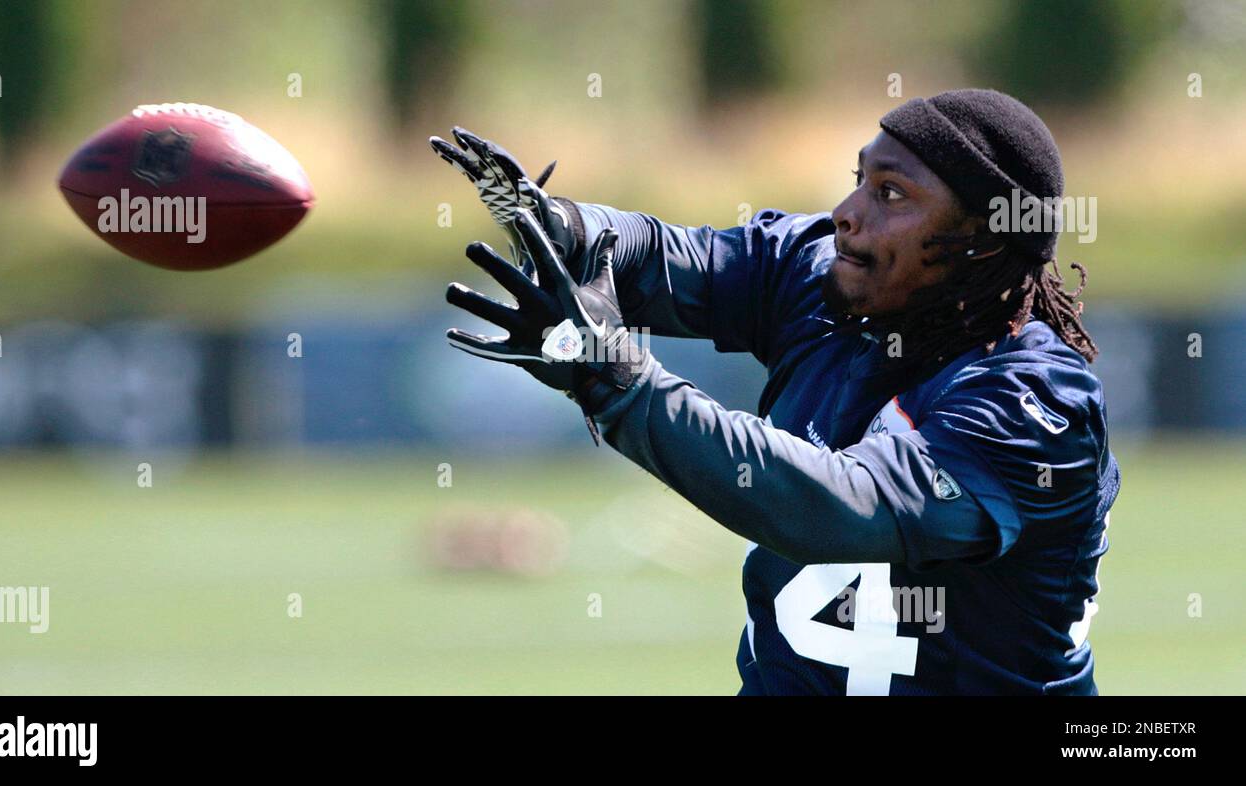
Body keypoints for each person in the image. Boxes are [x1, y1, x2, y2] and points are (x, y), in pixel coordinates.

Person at [431, 88, 1119, 695]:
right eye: (860, 179)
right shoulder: (819, 278)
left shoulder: (1035, 405)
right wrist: (568, 230)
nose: (848, 212)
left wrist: (618, 385)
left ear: (980, 236)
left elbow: (840, 509)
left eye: (891, 193)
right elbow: (662, 256)